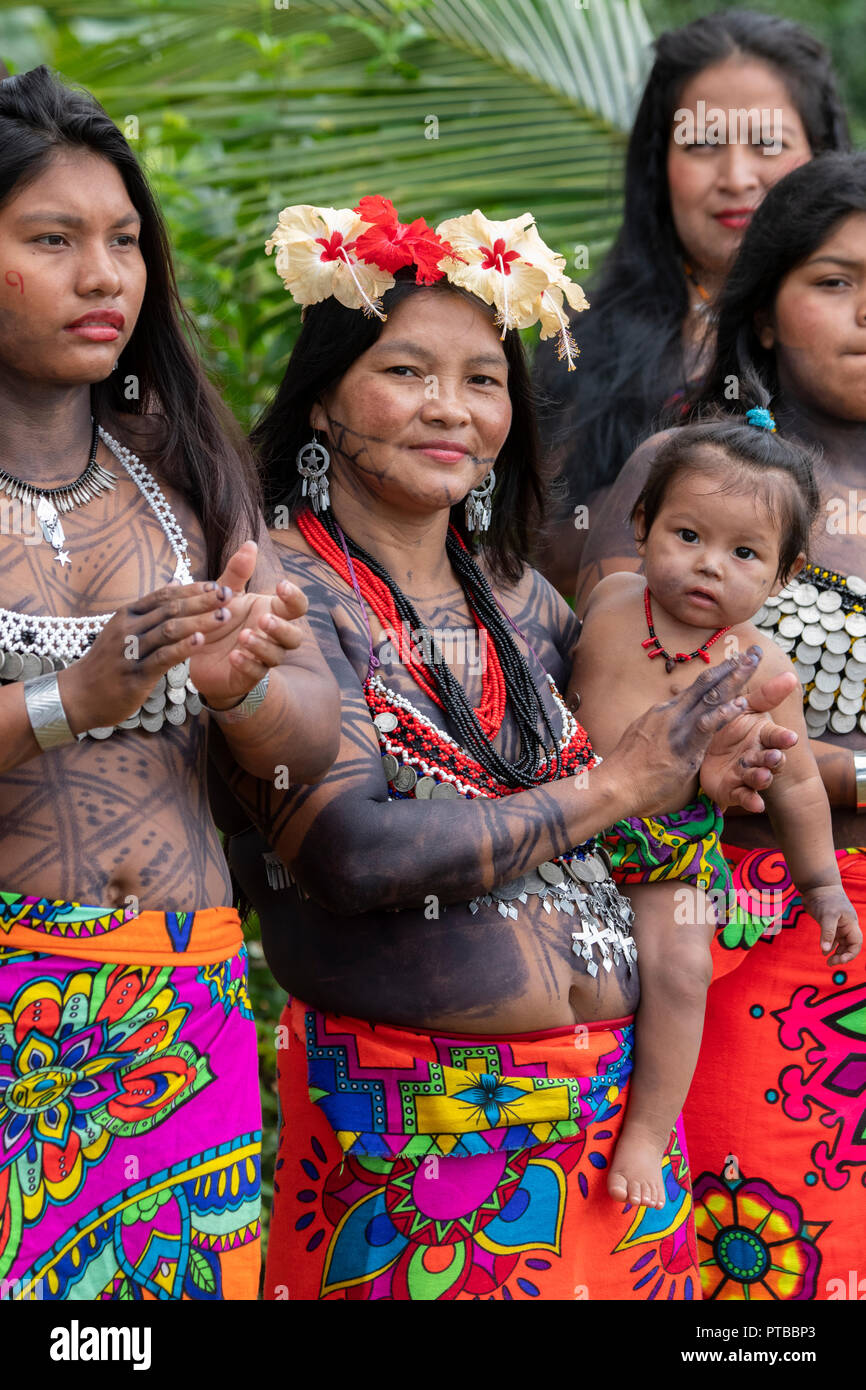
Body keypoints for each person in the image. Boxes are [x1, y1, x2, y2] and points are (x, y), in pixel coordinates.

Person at [210, 195, 799, 1301]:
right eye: (406, 372)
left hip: (613, 1137)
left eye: (483, 379)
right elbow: (352, 857)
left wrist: (697, 773)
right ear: (325, 403)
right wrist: (616, 783)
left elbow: (645, 767)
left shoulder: (521, 597)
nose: (453, 409)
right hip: (416, 1148)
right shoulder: (285, 595)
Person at [0, 67, 339, 1301]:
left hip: (181, 1001)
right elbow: (76, 699)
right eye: (54, 239)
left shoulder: (182, 469)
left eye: (126, 241)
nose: (106, 276)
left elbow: (308, 740)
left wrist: (243, 683)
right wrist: (67, 702)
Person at [575, 151, 866, 1299]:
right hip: (726, 915)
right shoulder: (683, 469)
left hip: (820, 899)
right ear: (762, 304)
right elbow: (604, 688)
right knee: (747, 1250)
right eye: (835, 280)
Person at [569, 414, 860, 1212]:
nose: (708, 566)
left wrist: (822, 886)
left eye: (743, 554)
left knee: (682, 969)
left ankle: (646, 1133)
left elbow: (798, 784)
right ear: (642, 525)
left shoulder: (761, 663)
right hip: (565, 824)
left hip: (670, 848)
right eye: (688, 534)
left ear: (784, 573)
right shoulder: (610, 602)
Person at [533, 8, 848, 596]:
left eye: (768, 143)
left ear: (823, 154)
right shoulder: (583, 344)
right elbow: (528, 562)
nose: (736, 176)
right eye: (702, 144)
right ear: (660, 164)